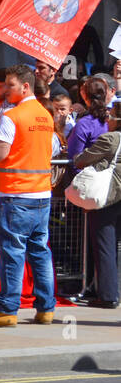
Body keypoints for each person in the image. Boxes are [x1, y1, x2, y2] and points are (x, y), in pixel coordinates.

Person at [0, 64, 56, 327]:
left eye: (10, 85)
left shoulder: (13, 116)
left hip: (16, 195)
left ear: (24, 86)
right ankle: (46, 308)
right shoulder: (45, 116)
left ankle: (6, 309)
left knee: (12, 253)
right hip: (41, 195)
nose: (5, 90)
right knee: (40, 252)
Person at [68, 77, 118, 307]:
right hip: (113, 194)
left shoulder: (104, 134)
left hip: (105, 195)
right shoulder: (101, 127)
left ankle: (107, 295)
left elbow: (77, 159)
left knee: (104, 243)